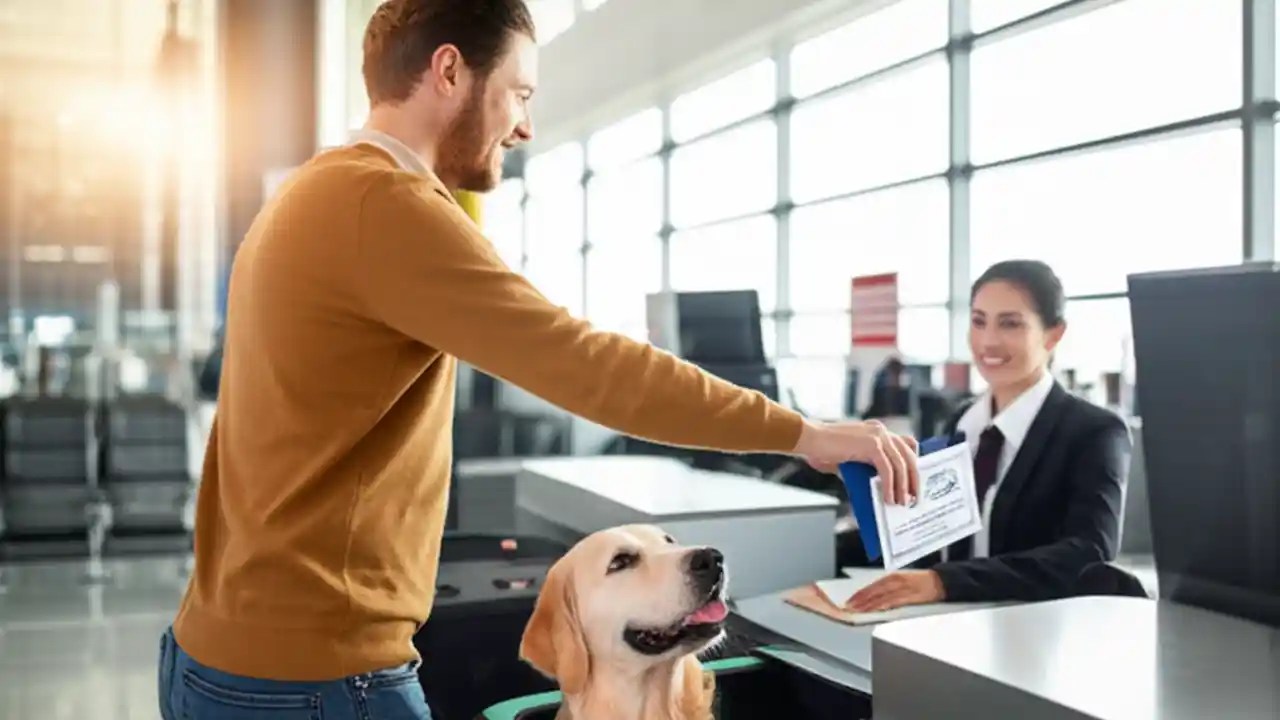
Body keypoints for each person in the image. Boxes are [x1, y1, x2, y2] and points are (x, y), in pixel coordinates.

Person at [156, 1, 919, 718]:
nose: (523, 125)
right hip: (314, 680)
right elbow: (591, 367)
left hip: (226, 653)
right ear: (449, 72)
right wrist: (806, 434)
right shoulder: (386, 206)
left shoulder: (312, 193)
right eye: (518, 92)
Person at [847, 259, 1132, 612]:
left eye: (1010, 324)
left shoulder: (1094, 432)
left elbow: (1089, 554)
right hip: (937, 625)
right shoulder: (961, 422)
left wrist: (944, 582)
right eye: (979, 321)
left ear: (1053, 334)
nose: (989, 341)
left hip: (1028, 635)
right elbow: (927, 530)